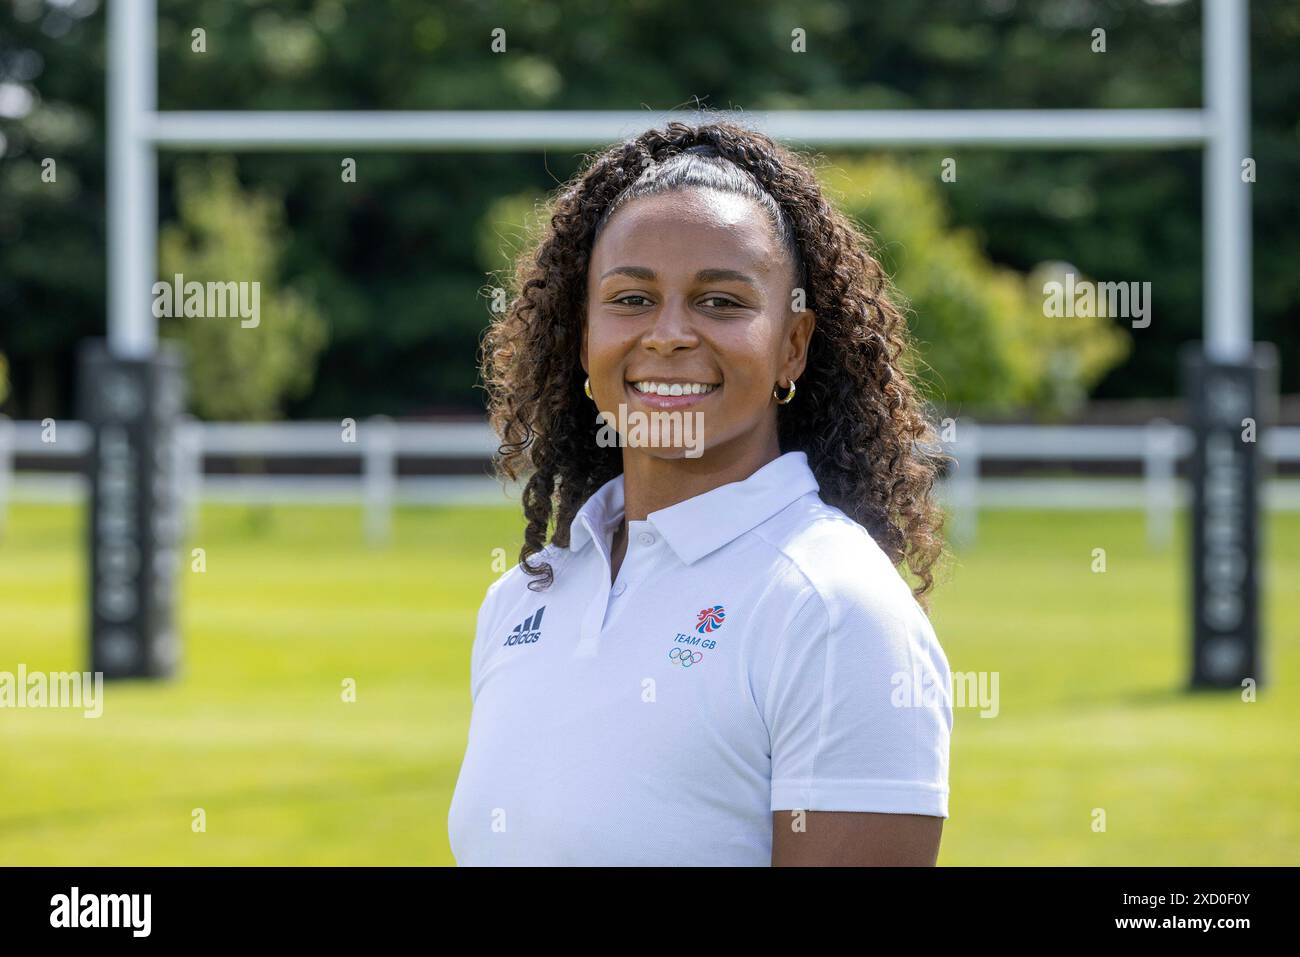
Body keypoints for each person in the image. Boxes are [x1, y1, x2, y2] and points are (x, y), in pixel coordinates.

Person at [447, 118, 953, 866]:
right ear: (582, 338)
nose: (670, 334)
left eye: (721, 302)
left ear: (793, 343)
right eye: (630, 299)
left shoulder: (834, 609)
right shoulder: (524, 600)